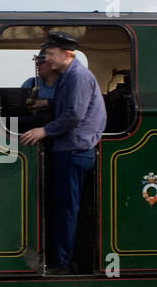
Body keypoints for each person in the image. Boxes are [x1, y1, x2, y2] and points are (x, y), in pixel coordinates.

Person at [18, 32, 106, 274]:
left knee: (65, 208)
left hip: (74, 149)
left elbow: (74, 115)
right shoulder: (70, 76)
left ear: (67, 55)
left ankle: (62, 265)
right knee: (62, 206)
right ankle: (60, 259)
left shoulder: (77, 77)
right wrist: (45, 104)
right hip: (70, 149)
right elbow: (68, 105)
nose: (47, 59)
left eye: (51, 55)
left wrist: (43, 131)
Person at [21, 53, 59, 117]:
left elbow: (71, 104)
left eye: (41, 62)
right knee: (11, 120)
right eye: (37, 62)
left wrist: (44, 103)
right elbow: (17, 106)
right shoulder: (30, 83)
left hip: (59, 125)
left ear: (53, 64)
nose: (37, 64)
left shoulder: (66, 84)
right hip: (34, 125)